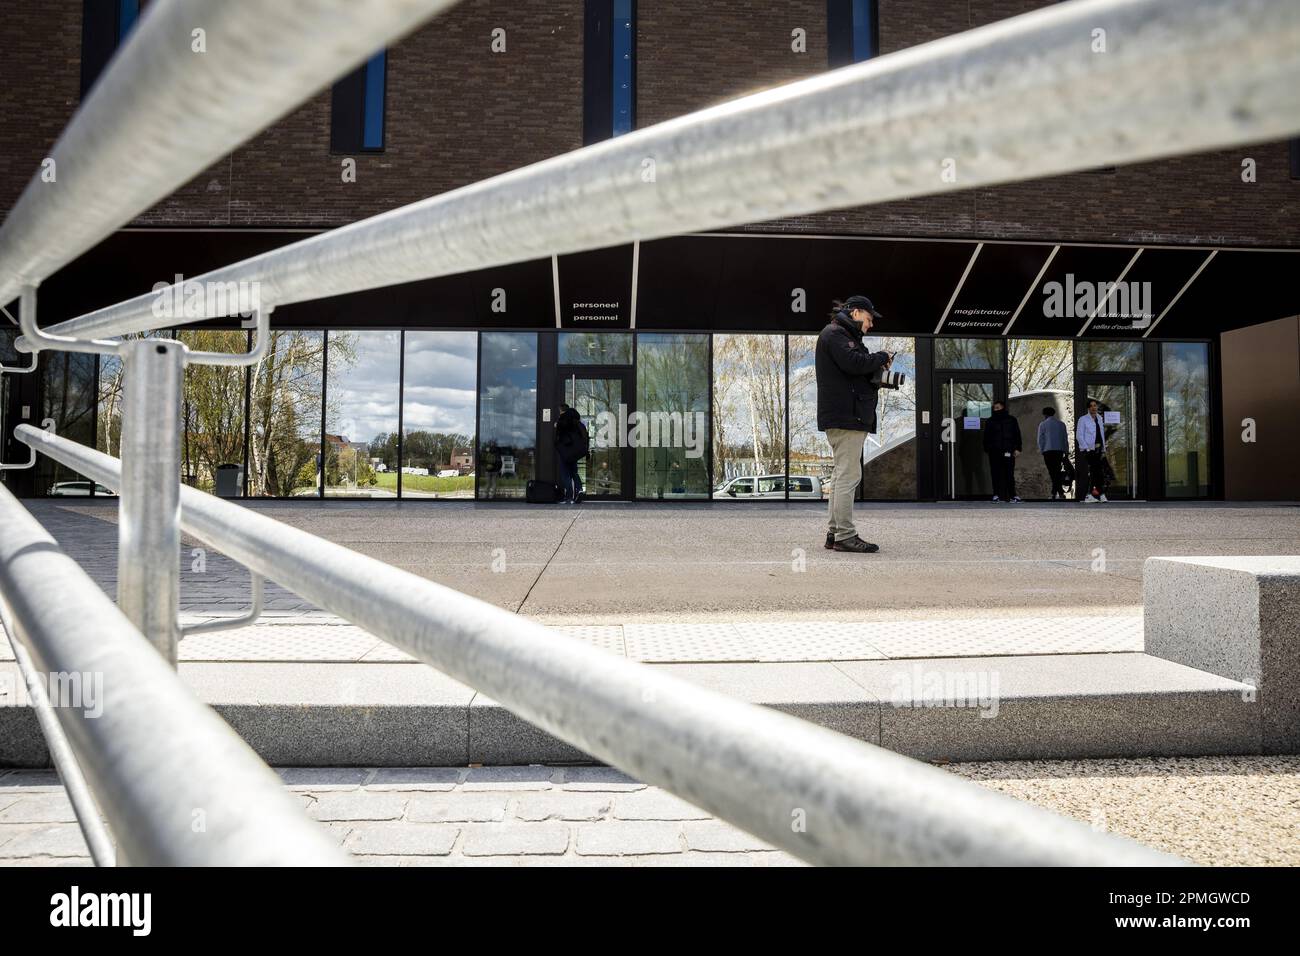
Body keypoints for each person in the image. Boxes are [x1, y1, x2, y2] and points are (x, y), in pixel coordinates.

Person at [815, 295, 892, 553]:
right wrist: (881, 357)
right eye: (869, 319)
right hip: (847, 417)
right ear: (857, 313)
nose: (871, 325)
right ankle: (845, 535)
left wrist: (878, 374)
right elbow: (854, 363)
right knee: (848, 476)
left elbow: (854, 372)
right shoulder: (835, 334)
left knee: (840, 477)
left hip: (846, 415)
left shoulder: (842, 336)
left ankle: (835, 533)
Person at [982, 400, 1022, 502]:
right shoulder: (990, 421)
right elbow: (986, 436)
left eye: (998, 408)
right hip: (994, 451)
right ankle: (996, 495)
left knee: (1009, 473)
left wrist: (1018, 448)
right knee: (995, 474)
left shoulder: (1012, 420)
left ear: (1003, 408)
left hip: (1009, 450)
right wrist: (988, 448)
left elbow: (1017, 434)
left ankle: (1013, 495)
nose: (996, 410)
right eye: (994, 408)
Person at [1076, 399, 1110, 502]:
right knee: (1096, 471)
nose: (1093, 407)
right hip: (1089, 449)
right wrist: (1086, 448)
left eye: (1095, 405)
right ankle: (1098, 494)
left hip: (1099, 449)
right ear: (1088, 408)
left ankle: (1093, 494)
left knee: (1096, 472)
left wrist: (1104, 448)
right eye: (1091, 406)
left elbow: (1101, 434)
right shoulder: (1083, 419)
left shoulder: (1099, 418)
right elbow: (1079, 435)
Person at [554, 403, 588, 504]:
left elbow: (561, 435)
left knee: (565, 474)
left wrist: (557, 425)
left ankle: (568, 497)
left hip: (566, 451)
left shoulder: (563, 419)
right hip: (575, 452)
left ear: (561, 410)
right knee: (574, 472)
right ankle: (580, 489)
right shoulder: (576, 421)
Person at [1036, 406, 1070, 500]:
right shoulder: (1061, 424)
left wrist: (1042, 450)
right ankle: (1058, 493)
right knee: (1057, 472)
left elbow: (1040, 440)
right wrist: (1066, 451)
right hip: (1059, 451)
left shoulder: (1042, 424)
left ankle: (1055, 493)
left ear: (1044, 414)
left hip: (1048, 451)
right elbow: (1064, 439)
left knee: (1053, 472)